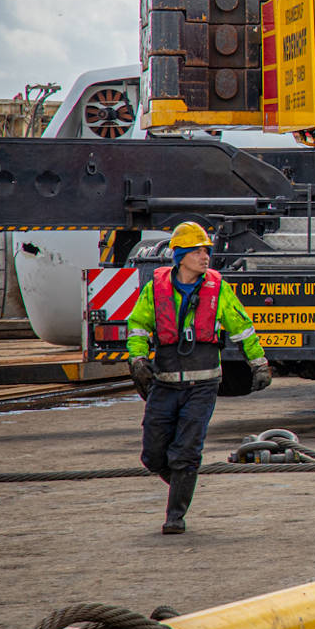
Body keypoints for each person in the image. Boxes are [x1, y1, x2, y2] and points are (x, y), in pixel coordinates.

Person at [126, 222, 272, 534]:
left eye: (207, 250)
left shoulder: (218, 289)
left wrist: (259, 363)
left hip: (203, 383)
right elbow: (138, 324)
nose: (205, 256)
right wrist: (137, 358)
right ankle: (183, 478)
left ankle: (175, 516)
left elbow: (242, 326)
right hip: (164, 382)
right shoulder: (156, 290)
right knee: (152, 455)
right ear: (180, 255)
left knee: (185, 452)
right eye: (198, 251)